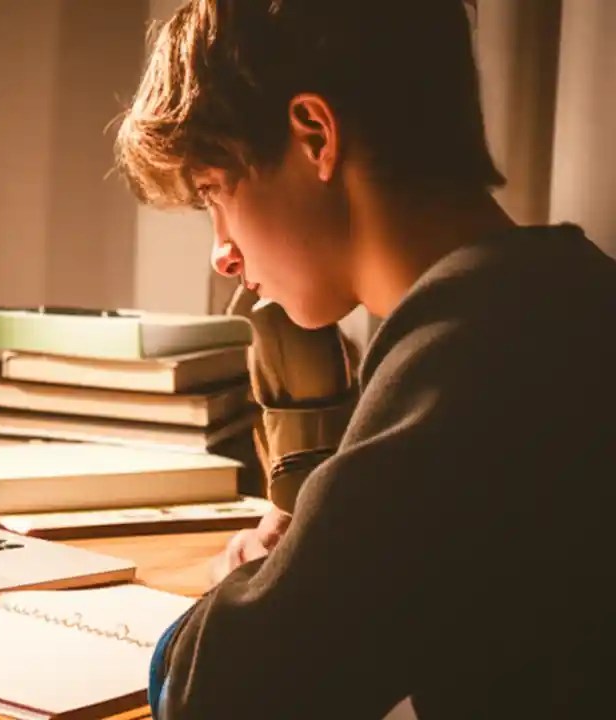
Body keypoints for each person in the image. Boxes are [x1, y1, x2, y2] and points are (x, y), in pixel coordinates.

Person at [112, 0, 616, 717]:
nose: (223, 253)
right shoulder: (572, 295)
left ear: (315, 135)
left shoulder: (465, 365)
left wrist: (244, 592)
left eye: (213, 192)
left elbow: (216, 698)